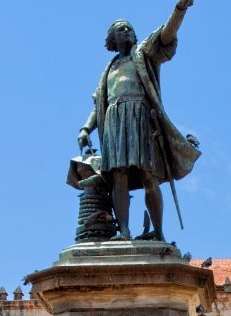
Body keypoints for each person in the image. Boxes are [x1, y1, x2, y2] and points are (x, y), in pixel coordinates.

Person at [77, 0, 200, 242]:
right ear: (113, 39)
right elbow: (98, 104)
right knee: (118, 176)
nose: (128, 31)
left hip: (140, 117)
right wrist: (85, 128)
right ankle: (123, 231)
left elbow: (166, 33)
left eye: (130, 28)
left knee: (149, 177)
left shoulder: (143, 53)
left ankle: (159, 233)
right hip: (113, 120)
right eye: (122, 29)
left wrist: (179, 9)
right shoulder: (109, 69)